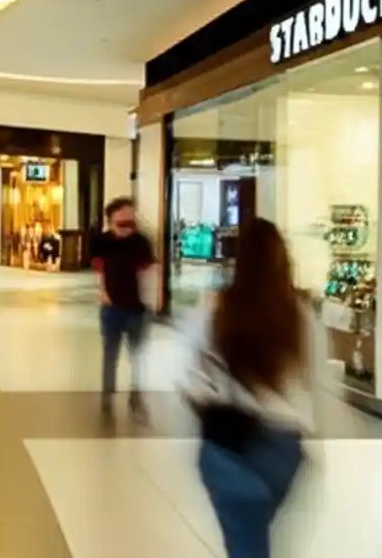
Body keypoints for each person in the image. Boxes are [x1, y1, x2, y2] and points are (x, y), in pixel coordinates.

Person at [184, 218, 308, 558]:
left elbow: (190, 377)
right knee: (254, 537)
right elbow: (317, 386)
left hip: (228, 442)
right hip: (284, 446)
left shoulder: (215, 308)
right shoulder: (299, 313)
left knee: (245, 542)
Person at [90, 197, 155, 420]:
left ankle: (136, 397)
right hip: (112, 308)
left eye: (132, 223)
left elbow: (148, 272)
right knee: (110, 354)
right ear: (111, 221)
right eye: (122, 223)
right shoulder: (101, 242)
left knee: (138, 356)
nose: (128, 228)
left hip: (137, 308)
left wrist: (151, 300)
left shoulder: (142, 242)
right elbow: (98, 271)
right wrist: (103, 294)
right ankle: (107, 397)